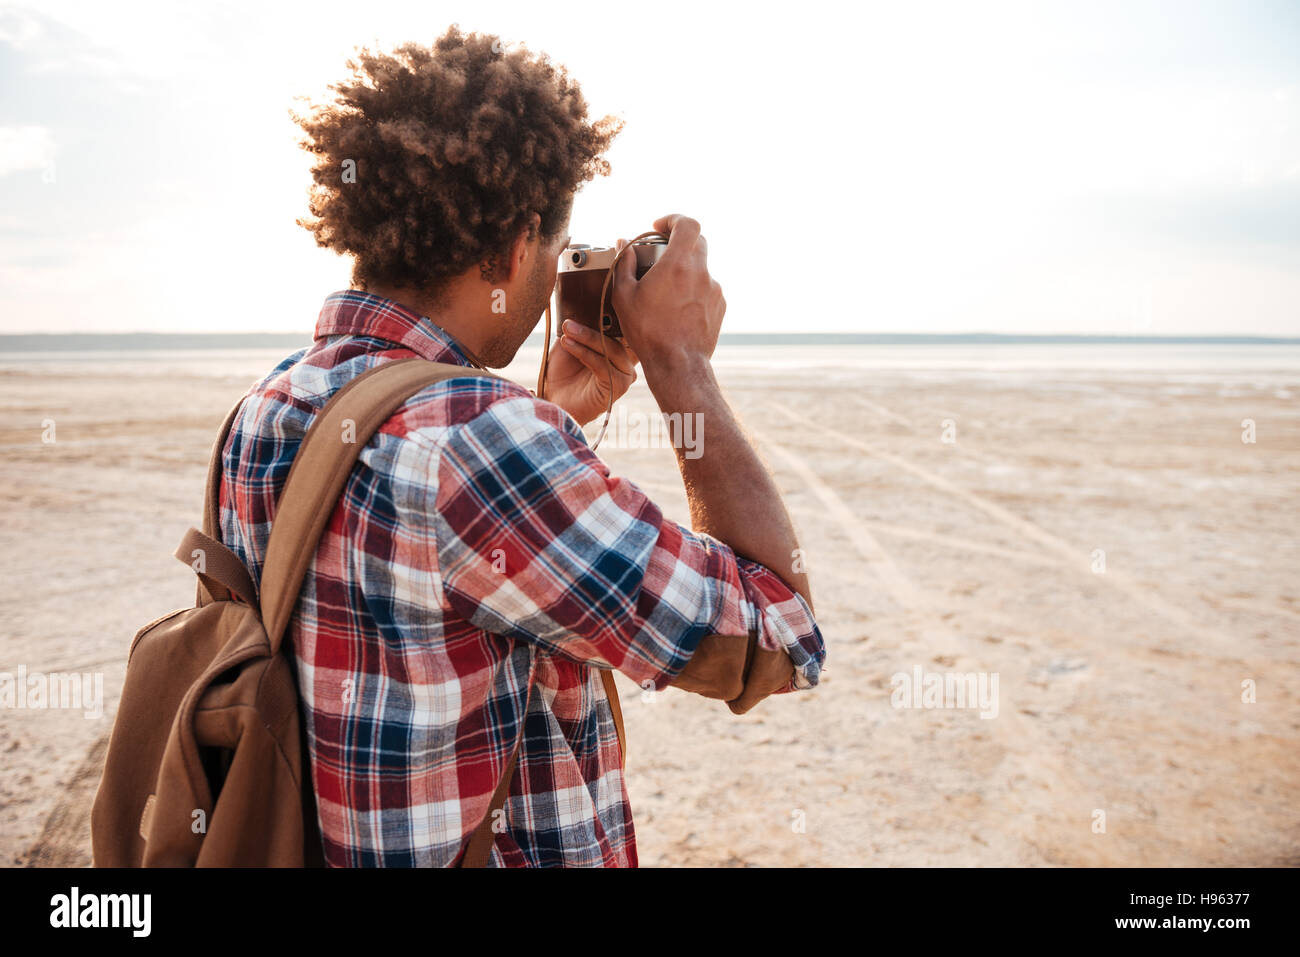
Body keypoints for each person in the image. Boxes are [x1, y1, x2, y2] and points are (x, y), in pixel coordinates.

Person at [218, 26, 825, 866]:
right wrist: (680, 362)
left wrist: (549, 420)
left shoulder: (267, 407)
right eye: (549, 253)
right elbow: (781, 634)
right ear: (512, 248)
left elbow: (424, 603)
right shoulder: (479, 441)